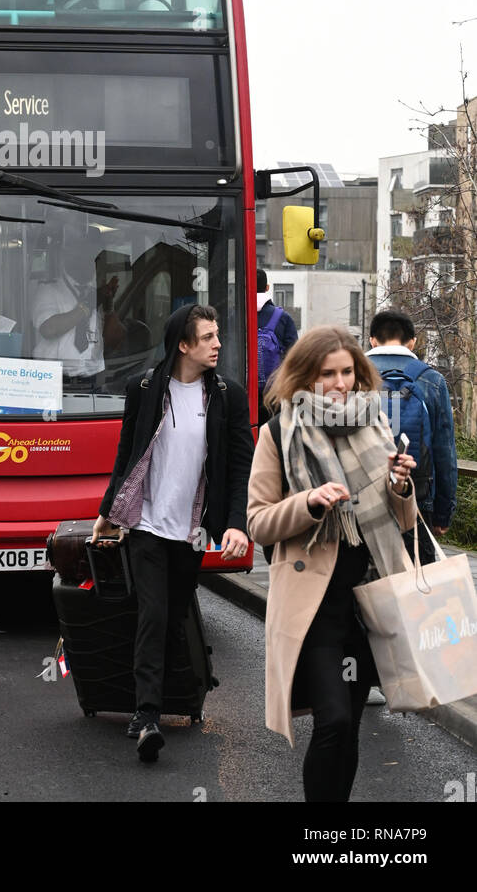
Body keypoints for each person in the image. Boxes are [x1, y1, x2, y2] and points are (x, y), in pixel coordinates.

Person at [247, 325, 417, 803]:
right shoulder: (278, 432)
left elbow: (401, 520)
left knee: (351, 726)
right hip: (317, 609)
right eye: (328, 374)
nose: (341, 383)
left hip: (369, 600)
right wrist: (310, 503)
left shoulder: (376, 424)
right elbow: (259, 522)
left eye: (348, 371)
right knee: (333, 720)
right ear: (305, 377)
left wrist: (400, 486)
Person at [91, 303, 254, 762]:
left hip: (193, 529)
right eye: (207, 338)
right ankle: (146, 716)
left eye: (217, 336)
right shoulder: (143, 388)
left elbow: (241, 464)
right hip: (147, 523)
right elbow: (128, 452)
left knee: (175, 614)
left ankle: (179, 695)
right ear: (183, 345)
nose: (217, 344)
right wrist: (109, 511)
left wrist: (237, 523)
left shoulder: (228, 395)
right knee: (154, 612)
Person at [366, 308, 456, 563]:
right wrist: (442, 513)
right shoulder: (432, 379)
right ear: (412, 341)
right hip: (417, 497)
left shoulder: (350, 374)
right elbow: (444, 450)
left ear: (373, 339)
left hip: (361, 497)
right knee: (417, 579)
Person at [32, 239, 123, 383]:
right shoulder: (49, 289)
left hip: (93, 379)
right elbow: (49, 329)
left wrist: (109, 306)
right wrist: (88, 304)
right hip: (55, 379)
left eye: (92, 259)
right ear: (69, 260)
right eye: (83, 258)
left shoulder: (96, 293)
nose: (89, 264)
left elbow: (115, 340)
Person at [256, 269, 298, 428]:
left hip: (243, 392)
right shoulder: (282, 318)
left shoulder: (235, 313)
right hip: (273, 395)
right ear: (267, 288)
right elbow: (294, 357)